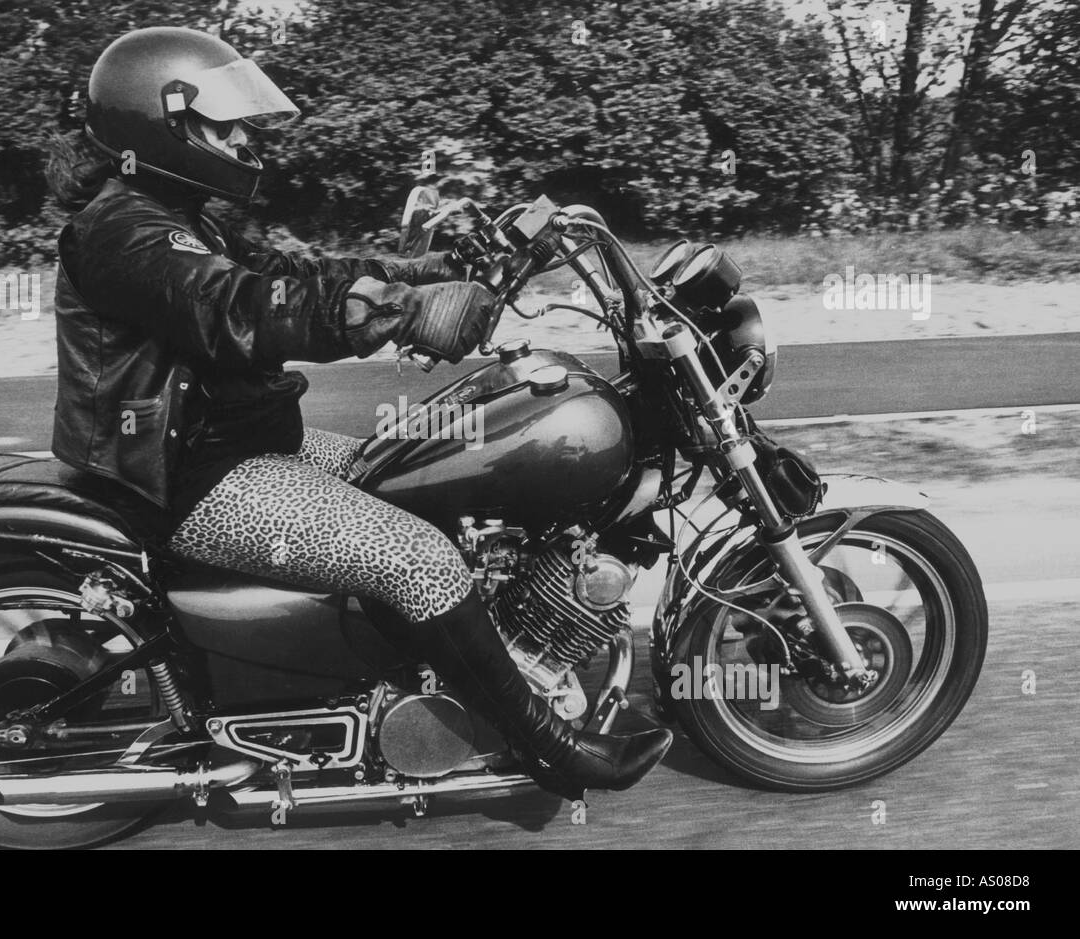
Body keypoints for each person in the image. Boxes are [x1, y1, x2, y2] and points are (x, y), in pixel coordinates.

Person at [46, 26, 671, 800]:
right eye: (223, 123)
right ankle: (554, 749)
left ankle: (419, 673)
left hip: (242, 444)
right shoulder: (123, 230)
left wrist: (444, 270)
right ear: (161, 122)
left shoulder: (186, 214)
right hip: (188, 479)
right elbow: (246, 307)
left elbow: (306, 273)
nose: (243, 138)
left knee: (425, 478)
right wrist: (403, 314)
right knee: (422, 557)